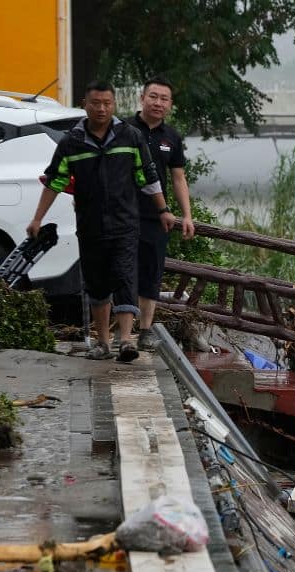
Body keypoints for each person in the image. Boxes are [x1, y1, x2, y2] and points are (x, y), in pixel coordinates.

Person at [28, 80, 173, 362]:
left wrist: (164, 210)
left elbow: (148, 178)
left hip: (125, 223)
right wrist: (37, 218)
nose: (102, 109)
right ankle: (103, 343)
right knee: (96, 282)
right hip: (90, 224)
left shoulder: (129, 137)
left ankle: (127, 341)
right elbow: (55, 181)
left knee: (125, 276)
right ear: (85, 104)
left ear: (114, 105)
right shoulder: (72, 142)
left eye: (107, 103)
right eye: (96, 103)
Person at [126, 77, 195, 351]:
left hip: (157, 217)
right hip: (124, 214)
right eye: (153, 97)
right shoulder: (124, 129)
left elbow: (178, 178)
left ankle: (144, 331)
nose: (158, 103)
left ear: (170, 105)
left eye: (164, 99)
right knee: (123, 271)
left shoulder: (172, 138)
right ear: (142, 98)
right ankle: (123, 332)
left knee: (151, 274)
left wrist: (187, 215)